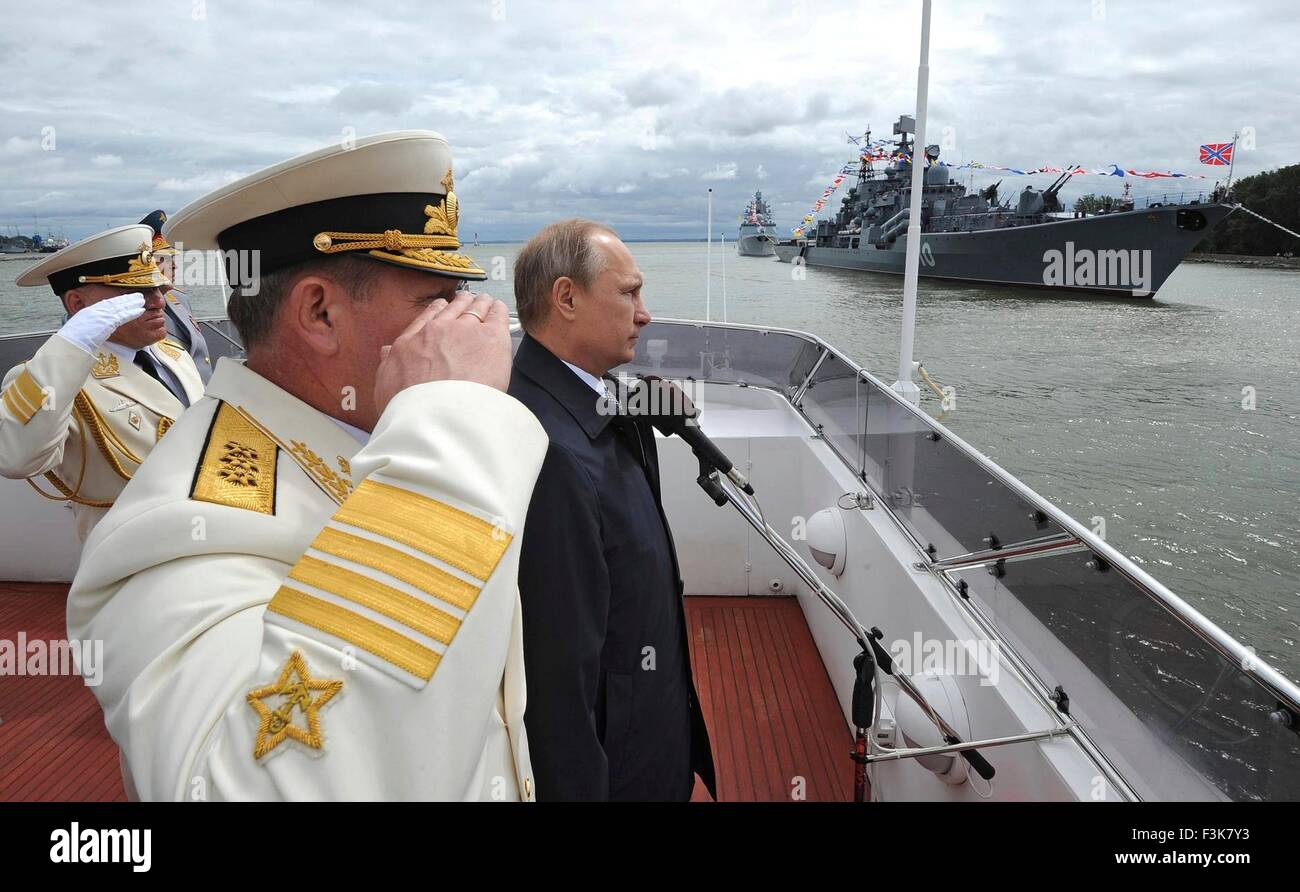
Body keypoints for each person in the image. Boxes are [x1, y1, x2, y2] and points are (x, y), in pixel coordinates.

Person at [67, 131, 548, 801]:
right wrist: (454, 417)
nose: (473, 326)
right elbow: (254, 786)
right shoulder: (178, 526)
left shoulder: (369, 441)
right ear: (319, 313)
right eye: (436, 304)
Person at [508, 219, 716, 801]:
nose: (644, 312)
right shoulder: (553, 453)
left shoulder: (592, 400)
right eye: (629, 293)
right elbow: (555, 686)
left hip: (647, 737)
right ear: (566, 298)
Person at [0, 225, 205, 540]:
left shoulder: (173, 354)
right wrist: (71, 346)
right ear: (78, 305)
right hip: (131, 560)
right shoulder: (50, 381)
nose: (158, 303)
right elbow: (17, 459)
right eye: (135, 293)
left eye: (159, 289)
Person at [139, 209, 213, 382]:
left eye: (173, 257)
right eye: (163, 258)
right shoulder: (132, 310)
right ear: (144, 263)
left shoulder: (179, 298)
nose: (174, 266)